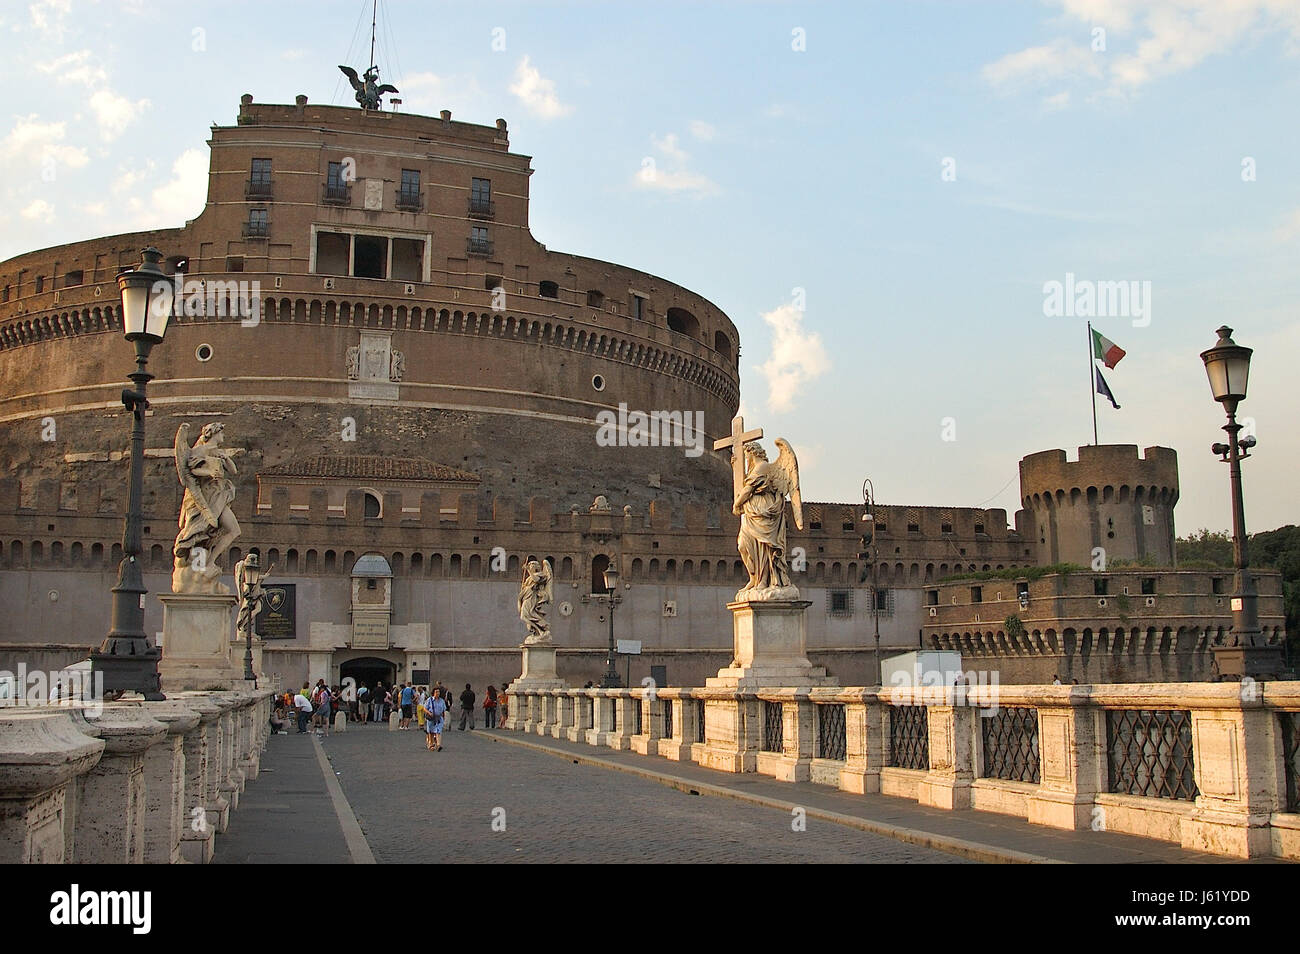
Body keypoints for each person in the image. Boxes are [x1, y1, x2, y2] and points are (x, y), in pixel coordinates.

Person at [424, 687, 447, 751]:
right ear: (433, 693)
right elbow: (425, 708)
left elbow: (443, 710)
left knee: (438, 731)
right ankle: (431, 744)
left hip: (439, 718)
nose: (438, 693)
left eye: (438, 692)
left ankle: (438, 745)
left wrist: (444, 718)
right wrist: (429, 713)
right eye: (436, 692)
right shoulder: (429, 700)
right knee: (431, 732)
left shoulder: (442, 701)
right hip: (431, 718)